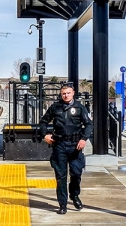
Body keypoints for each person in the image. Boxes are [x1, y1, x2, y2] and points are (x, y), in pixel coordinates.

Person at [40, 83, 93, 214]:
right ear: (61, 94)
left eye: (68, 93)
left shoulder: (80, 108)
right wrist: (45, 134)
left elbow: (88, 125)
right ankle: (62, 204)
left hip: (75, 146)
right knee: (60, 176)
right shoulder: (55, 107)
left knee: (76, 173)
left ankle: (74, 195)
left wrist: (84, 139)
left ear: (73, 93)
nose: (66, 95)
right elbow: (43, 122)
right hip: (59, 145)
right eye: (63, 93)